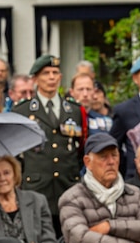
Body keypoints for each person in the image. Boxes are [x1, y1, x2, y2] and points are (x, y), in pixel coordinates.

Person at [12, 55, 85, 221]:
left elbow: (80, 148)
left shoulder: (74, 110)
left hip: (68, 187)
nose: (51, 77)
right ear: (35, 79)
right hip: (36, 187)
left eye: (55, 72)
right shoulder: (22, 112)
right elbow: (16, 153)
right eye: (46, 73)